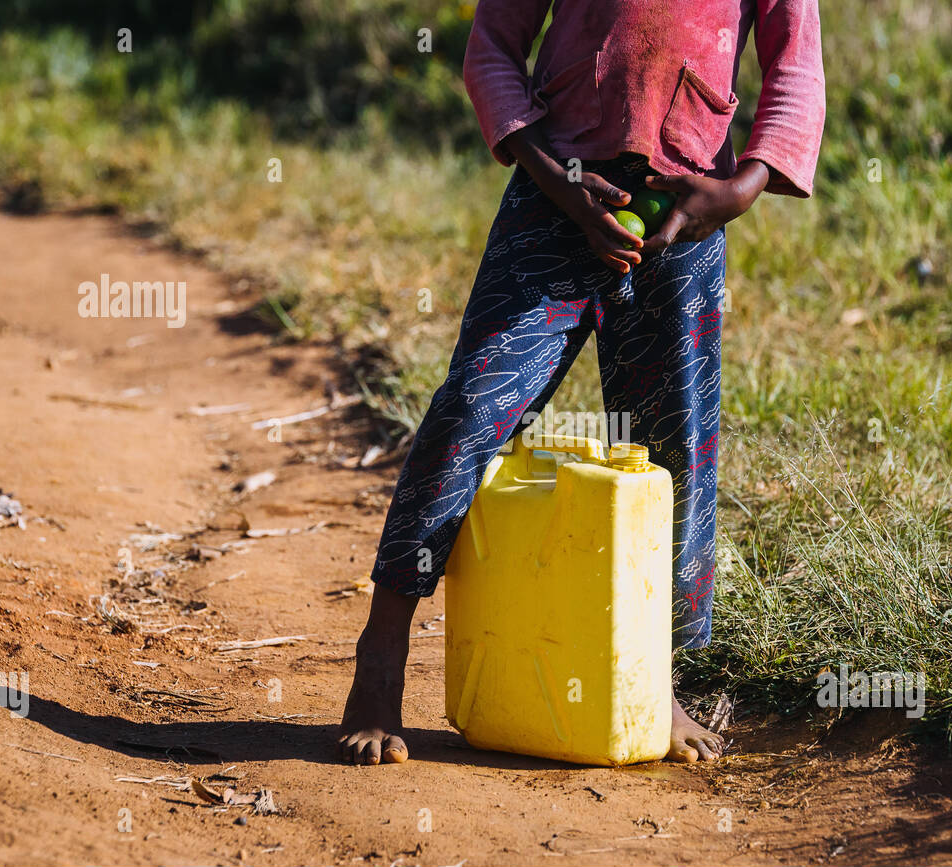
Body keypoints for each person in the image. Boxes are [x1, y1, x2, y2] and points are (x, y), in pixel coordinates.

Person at [338, 0, 825, 765]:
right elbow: (493, 47)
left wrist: (740, 190)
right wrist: (553, 177)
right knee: (472, 408)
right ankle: (384, 649)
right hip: (554, 198)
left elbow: (794, 67)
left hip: (684, 214)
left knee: (673, 450)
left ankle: (654, 680)